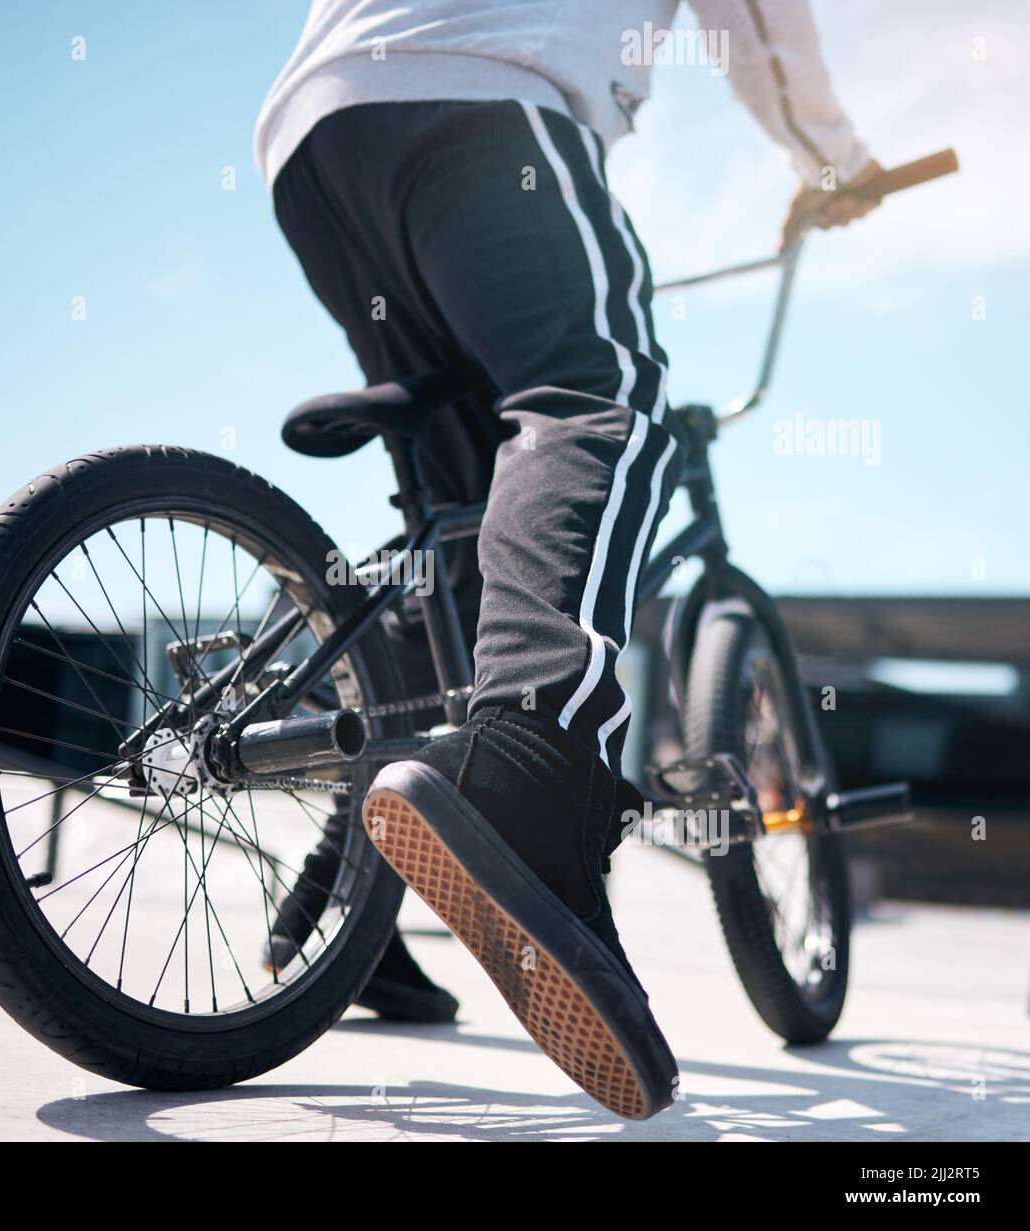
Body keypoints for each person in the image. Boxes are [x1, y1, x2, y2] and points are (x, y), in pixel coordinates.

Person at [255, 0, 880, 1117]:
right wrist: (832, 162)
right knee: (598, 400)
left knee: (468, 523)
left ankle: (353, 899)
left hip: (313, 141)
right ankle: (535, 773)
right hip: (477, 98)